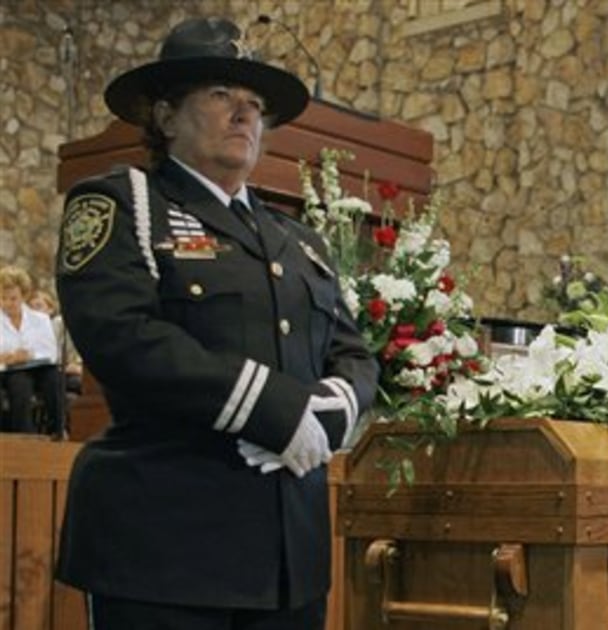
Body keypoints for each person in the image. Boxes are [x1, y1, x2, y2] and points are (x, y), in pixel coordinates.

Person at [54, 16, 378, 630]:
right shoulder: (125, 202)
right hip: (165, 544)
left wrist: (333, 412)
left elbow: (353, 354)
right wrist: (277, 410)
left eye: (255, 105)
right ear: (166, 116)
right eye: (221, 96)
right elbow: (121, 335)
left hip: (288, 554)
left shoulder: (298, 240)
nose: (244, 115)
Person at [0, 265, 64, 436]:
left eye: (13, 298)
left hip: (38, 367)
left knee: (53, 377)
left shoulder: (41, 319)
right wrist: (8, 358)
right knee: (19, 382)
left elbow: (51, 352)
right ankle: (25, 435)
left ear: (24, 296)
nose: (7, 303)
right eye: (3, 298)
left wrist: (29, 355)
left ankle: (58, 430)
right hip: (9, 371)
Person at [28, 288, 84, 398]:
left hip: (66, 371)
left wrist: (75, 366)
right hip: (47, 374)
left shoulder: (59, 324)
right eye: (31, 309)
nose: (35, 313)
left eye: (39, 307)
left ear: (51, 309)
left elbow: (72, 352)